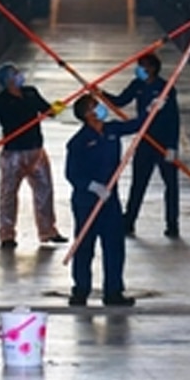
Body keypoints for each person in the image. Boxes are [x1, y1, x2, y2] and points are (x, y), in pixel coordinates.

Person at [0, 62, 68, 249]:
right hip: (13, 155)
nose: (20, 76)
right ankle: (6, 235)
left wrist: (55, 109)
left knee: (45, 191)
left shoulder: (31, 93)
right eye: (15, 74)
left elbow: (46, 111)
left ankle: (48, 231)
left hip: (36, 150)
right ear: (8, 81)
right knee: (8, 195)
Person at [64, 94, 143, 307]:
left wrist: (153, 109)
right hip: (86, 203)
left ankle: (113, 292)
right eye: (94, 107)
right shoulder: (78, 142)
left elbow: (136, 125)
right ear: (87, 115)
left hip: (110, 202)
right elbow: (72, 174)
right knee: (84, 247)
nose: (100, 109)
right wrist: (93, 187)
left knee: (114, 246)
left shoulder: (111, 130)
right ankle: (81, 290)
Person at [104, 52, 180, 238]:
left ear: (152, 68)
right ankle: (129, 222)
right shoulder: (136, 85)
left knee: (171, 185)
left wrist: (172, 146)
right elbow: (120, 101)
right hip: (145, 141)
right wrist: (100, 93)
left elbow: (174, 119)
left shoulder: (165, 88)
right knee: (138, 184)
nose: (139, 69)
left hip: (163, 143)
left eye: (143, 66)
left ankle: (172, 224)